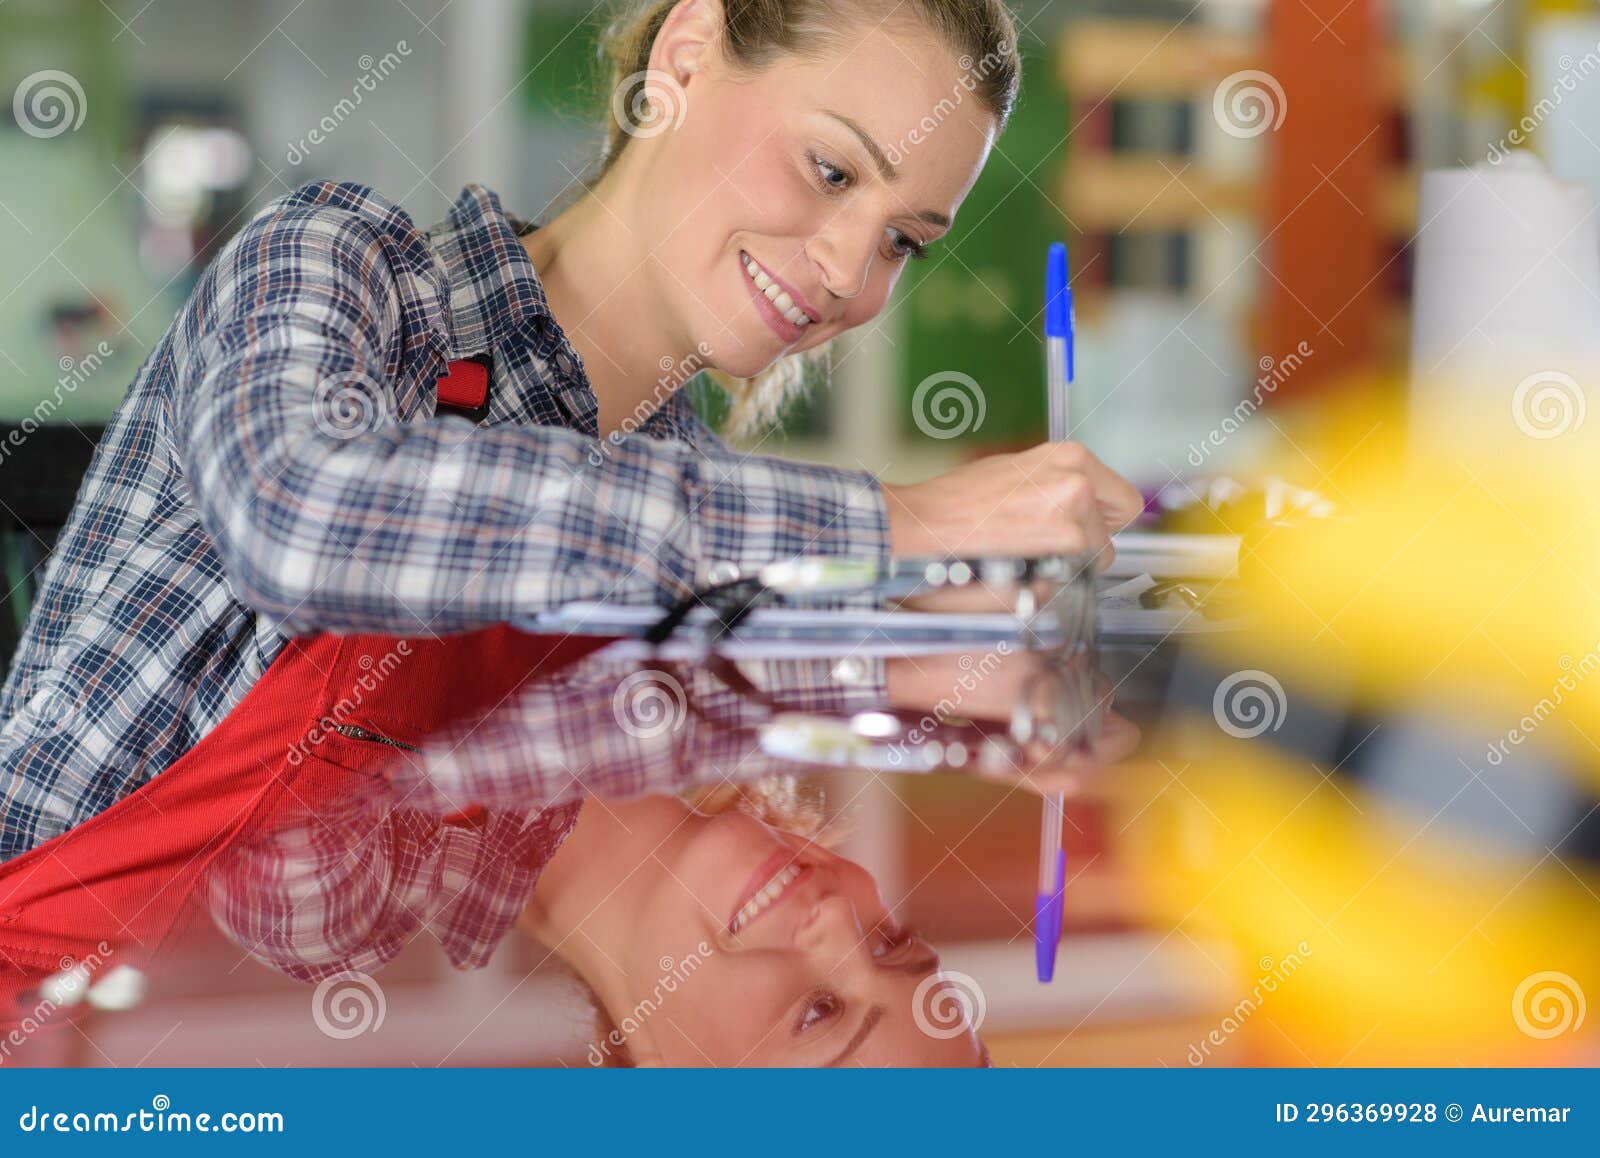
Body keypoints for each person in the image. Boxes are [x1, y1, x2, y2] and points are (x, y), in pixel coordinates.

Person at [0, 0, 1142, 866]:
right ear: (686, 55)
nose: (850, 269)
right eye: (830, 168)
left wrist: (958, 682)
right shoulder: (338, 265)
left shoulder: (691, 502)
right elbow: (307, 516)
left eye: (905, 240)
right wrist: (906, 521)